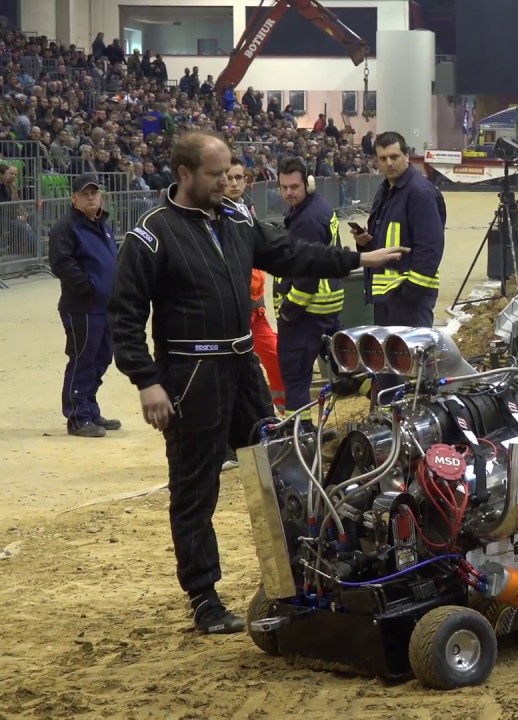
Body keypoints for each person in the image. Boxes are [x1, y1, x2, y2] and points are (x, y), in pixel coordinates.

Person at [108, 130, 408, 635]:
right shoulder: (152, 236)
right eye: (215, 174)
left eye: (230, 172)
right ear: (184, 174)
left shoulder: (238, 219)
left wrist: (356, 260)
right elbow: (124, 316)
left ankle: (297, 577)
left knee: (280, 473)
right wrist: (146, 381)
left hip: (243, 370)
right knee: (195, 488)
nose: (227, 182)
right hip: (191, 377)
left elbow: (292, 254)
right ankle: (204, 598)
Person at [221, 157, 285, 473]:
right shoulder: (217, 215)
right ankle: (227, 444)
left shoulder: (247, 210)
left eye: (239, 177)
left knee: (274, 358)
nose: (234, 183)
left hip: (255, 311)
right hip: (231, 316)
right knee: (229, 380)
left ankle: (281, 416)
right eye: (229, 178)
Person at [48, 174, 120, 438]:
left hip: (106, 306)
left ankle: (90, 408)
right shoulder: (65, 227)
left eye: (94, 193)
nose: (91, 197)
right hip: (83, 306)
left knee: (102, 358)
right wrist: (88, 287)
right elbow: (62, 263)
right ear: (74, 198)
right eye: (85, 194)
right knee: (83, 359)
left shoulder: (103, 225)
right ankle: (78, 417)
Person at [274, 157, 344, 428]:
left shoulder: (307, 220)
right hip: (328, 303)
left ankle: (299, 431)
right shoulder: (318, 208)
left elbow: (306, 275)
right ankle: (375, 398)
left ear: (308, 184)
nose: (289, 193)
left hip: (308, 311)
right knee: (342, 362)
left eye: (294, 187)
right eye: (284, 187)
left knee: (295, 374)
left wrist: (289, 311)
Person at [353, 131, 447, 327]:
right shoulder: (384, 190)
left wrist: (411, 293)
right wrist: (364, 243)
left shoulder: (420, 193)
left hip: (408, 301)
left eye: (394, 157)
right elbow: (385, 241)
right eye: (383, 158)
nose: (389, 163)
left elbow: (430, 248)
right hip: (384, 297)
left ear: (406, 156)